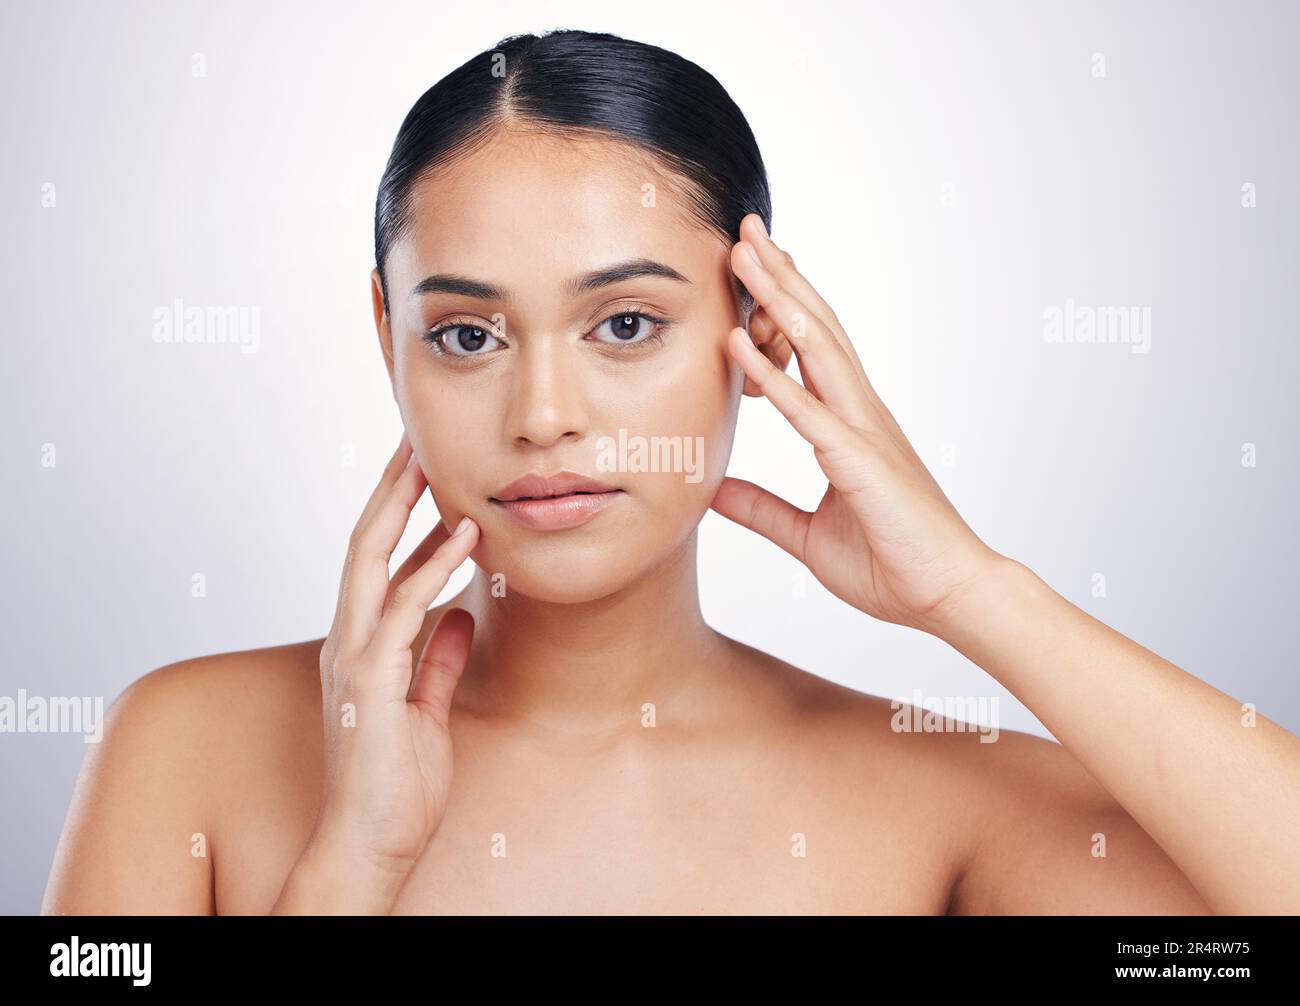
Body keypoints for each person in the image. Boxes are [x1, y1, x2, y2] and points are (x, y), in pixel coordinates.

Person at [41, 28, 1300, 915]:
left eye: (625, 324)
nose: (543, 416)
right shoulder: (184, 747)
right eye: (468, 335)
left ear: (756, 328)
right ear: (390, 340)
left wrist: (975, 592)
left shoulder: (951, 799)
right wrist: (348, 876)